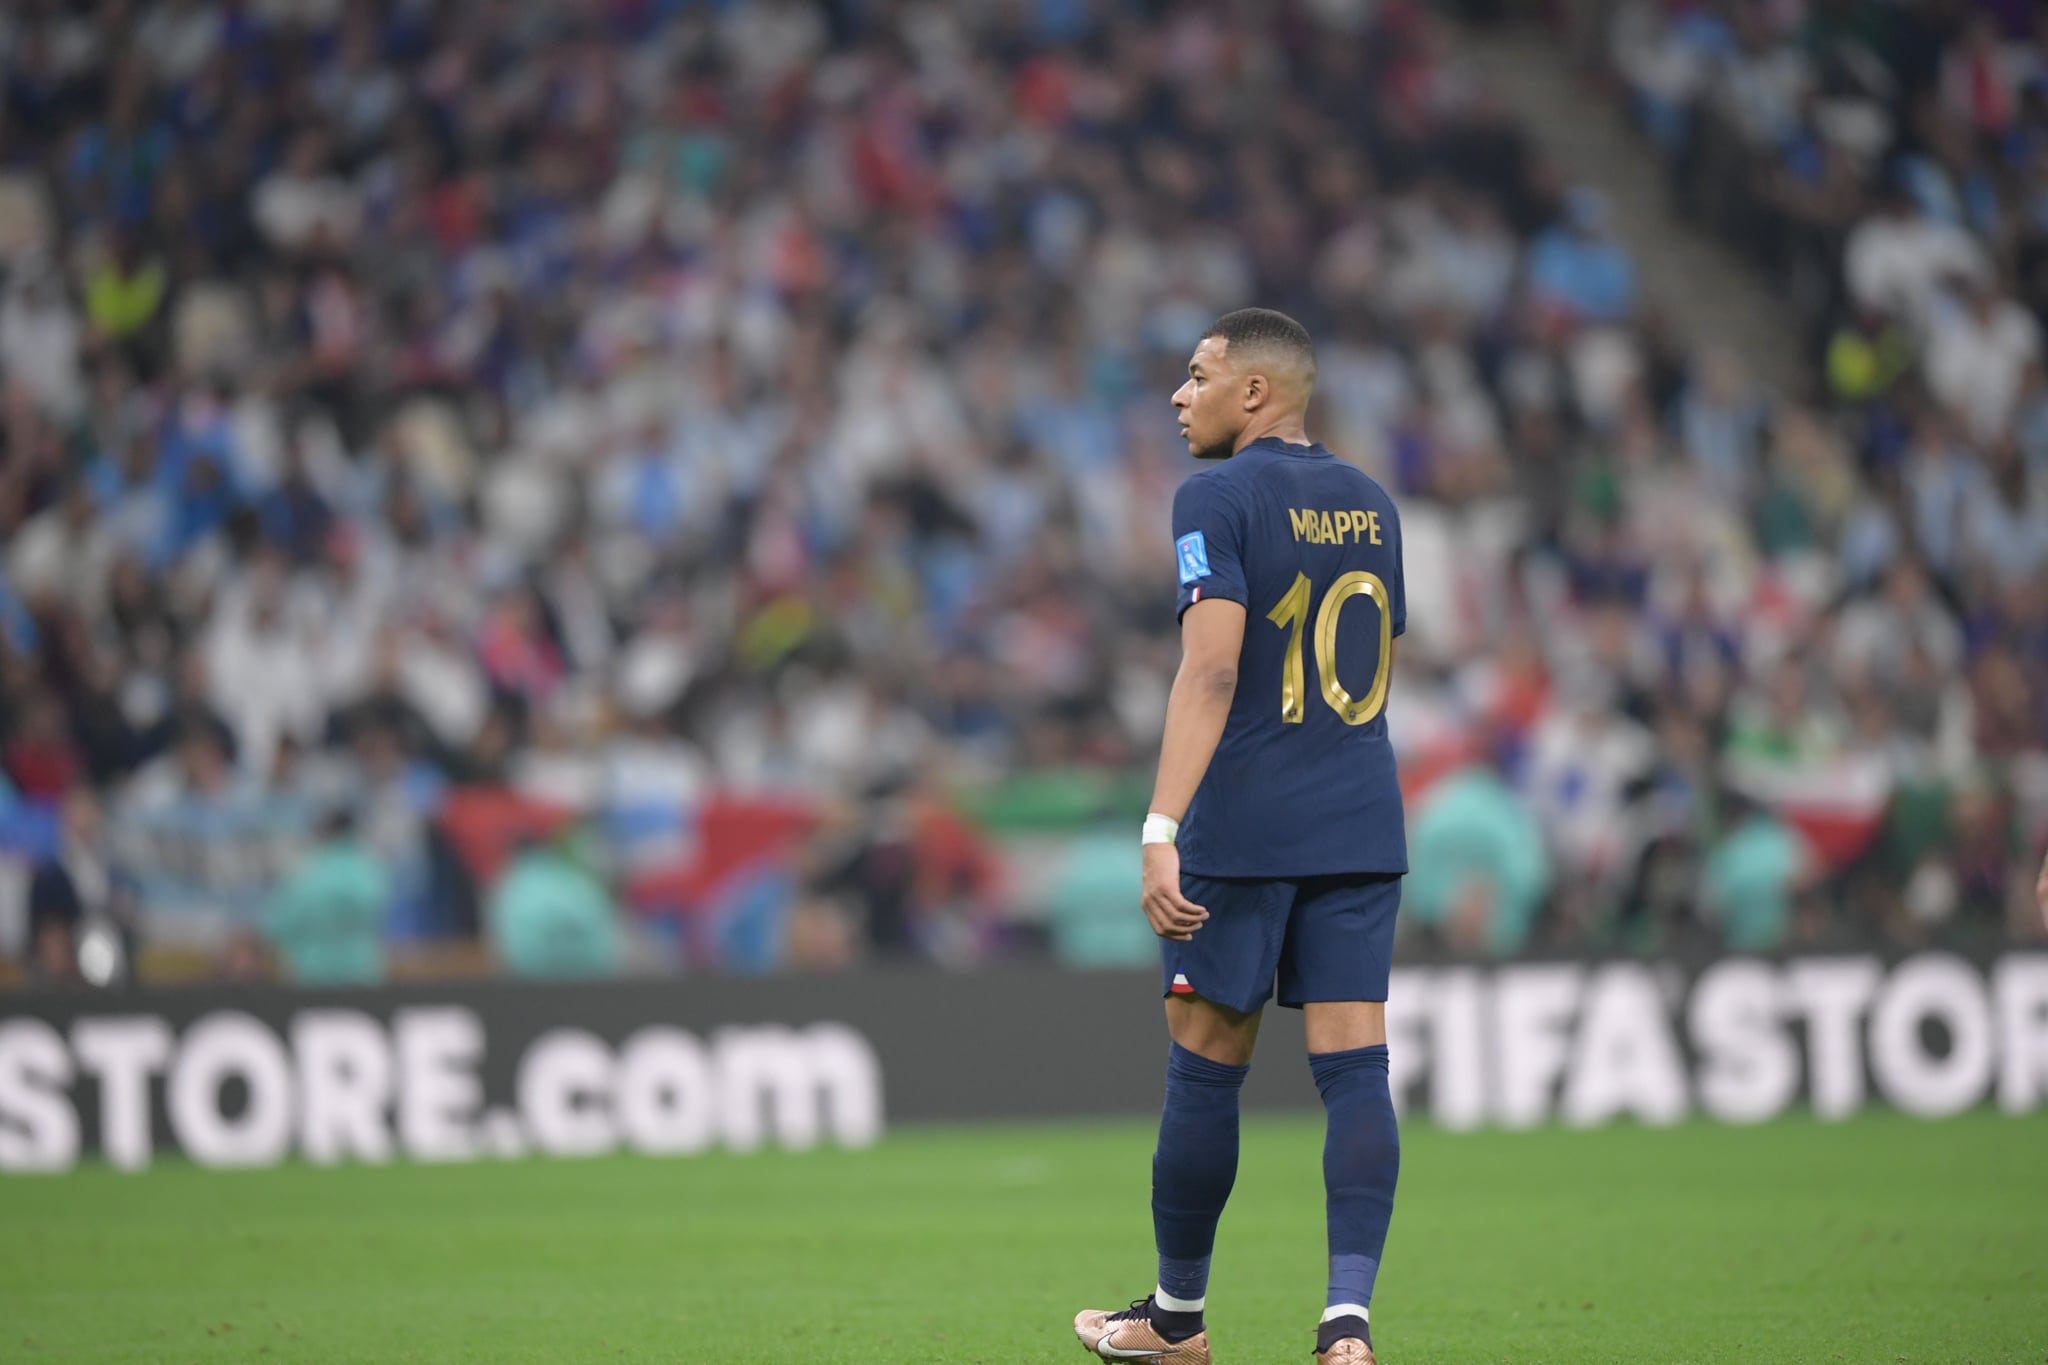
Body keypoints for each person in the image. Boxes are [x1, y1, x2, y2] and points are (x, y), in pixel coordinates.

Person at [1074, 310, 1407, 1365]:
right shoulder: (1373, 501)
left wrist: (1159, 825)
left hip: (1244, 830)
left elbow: (1213, 668)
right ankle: (1345, 1325)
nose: (1178, 396)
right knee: (1355, 1071)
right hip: (1359, 821)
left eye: (1197, 375)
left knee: (1206, 1068)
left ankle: (1175, 1321)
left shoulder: (1212, 495)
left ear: (1254, 393)